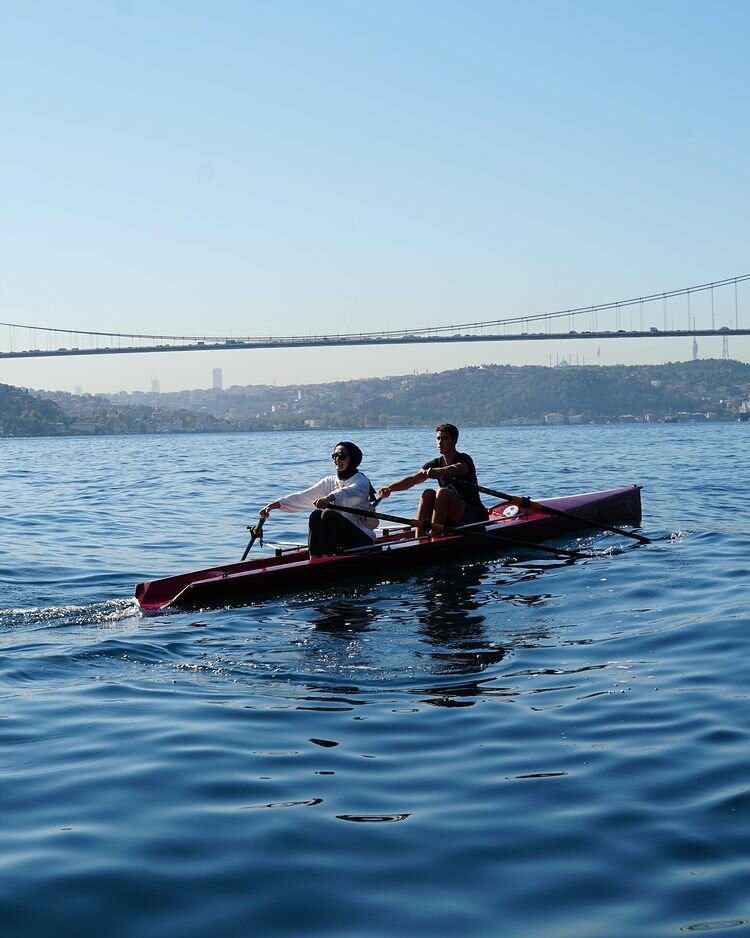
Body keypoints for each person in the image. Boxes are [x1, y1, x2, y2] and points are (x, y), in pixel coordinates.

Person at [260, 441, 378, 557]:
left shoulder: (361, 481)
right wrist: (274, 505)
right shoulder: (329, 481)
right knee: (315, 515)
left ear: (352, 459)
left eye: (341, 456)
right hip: (340, 539)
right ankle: (315, 559)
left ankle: (327, 561)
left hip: (363, 539)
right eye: (334, 456)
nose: (337, 459)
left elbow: (347, 492)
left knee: (328, 514)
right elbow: (304, 496)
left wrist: (329, 498)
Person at [377, 423, 487, 536]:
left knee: (442, 492)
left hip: (474, 515)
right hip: (452, 514)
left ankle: (434, 536)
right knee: (428, 493)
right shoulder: (435, 463)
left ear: (454, 441)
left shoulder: (464, 459)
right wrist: (389, 488)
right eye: (438, 438)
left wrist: (439, 472)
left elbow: (456, 469)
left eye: (445, 438)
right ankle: (418, 538)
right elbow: (413, 479)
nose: (440, 442)